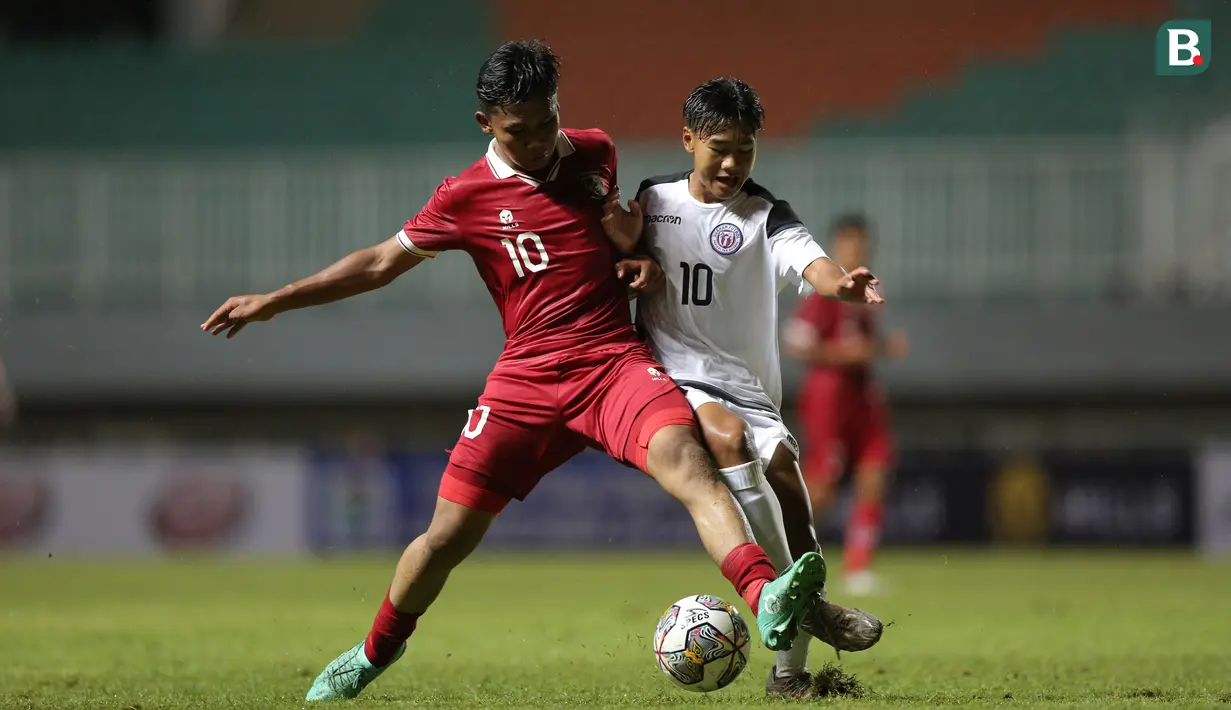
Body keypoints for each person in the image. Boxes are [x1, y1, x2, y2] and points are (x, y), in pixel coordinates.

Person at [201, 41, 850, 702]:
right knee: (445, 538)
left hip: (612, 362)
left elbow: (618, 235)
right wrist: (277, 299)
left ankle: (763, 595)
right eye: (520, 131)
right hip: (526, 378)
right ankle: (371, 653)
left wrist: (637, 259)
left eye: (548, 121)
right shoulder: (464, 196)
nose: (540, 141)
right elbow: (377, 263)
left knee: (689, 465)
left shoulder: (594, 153)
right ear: (485, 123)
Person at [601, 77, 884, 700]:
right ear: (689, 140)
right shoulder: (653, 199)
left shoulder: (765, 214)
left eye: (746, 149)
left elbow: (811, 263)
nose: (733, 163)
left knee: (784, 473)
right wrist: (633, 264)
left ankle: (791, 670)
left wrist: (841, 285)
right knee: (727, 438)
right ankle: (806, 607)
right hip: (676, 373)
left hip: (750, 387)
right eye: (720, 148)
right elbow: (620, 253)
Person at [783, 212, 908, 597]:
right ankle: (784, 555)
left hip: (862, 394)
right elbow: (796, 342)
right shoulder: (826, 289)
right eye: (850, 242)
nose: (857, 249)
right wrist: (849, 353)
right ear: (837, 245)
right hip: (830, 394)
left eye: (862, 243)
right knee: (823, 484)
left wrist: (878, 348)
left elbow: (865, 346)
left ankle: (857, 568)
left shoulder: (866, 291)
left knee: (874, 475)